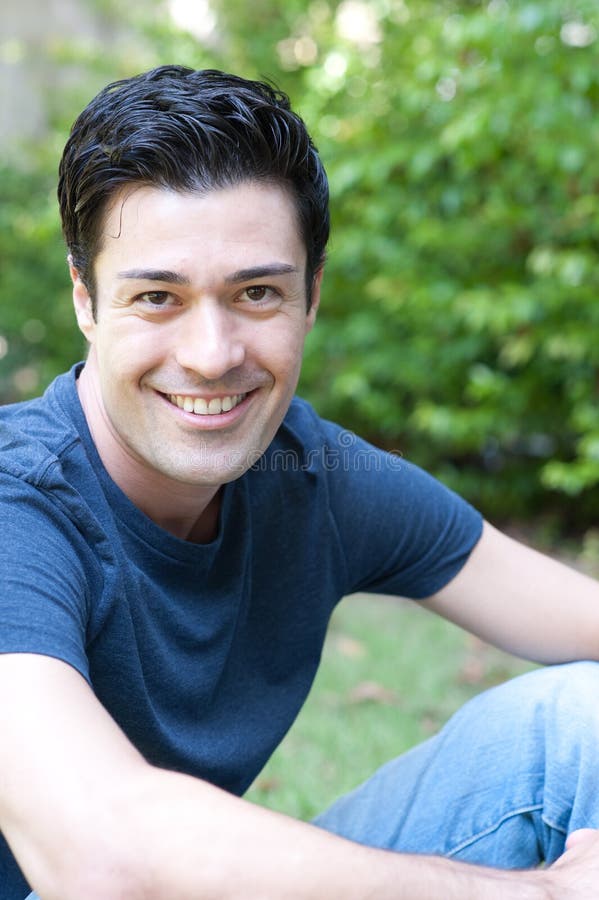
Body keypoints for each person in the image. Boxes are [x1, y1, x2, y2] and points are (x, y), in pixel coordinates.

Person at [1, 64, 599, 900]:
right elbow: (100, 856)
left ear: (309, 296)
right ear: (87, 300)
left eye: (255, 292)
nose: (211, 353)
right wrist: (539, 893)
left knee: (582, 720)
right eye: (157, 298)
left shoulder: (309, 474)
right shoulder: (16, 508)